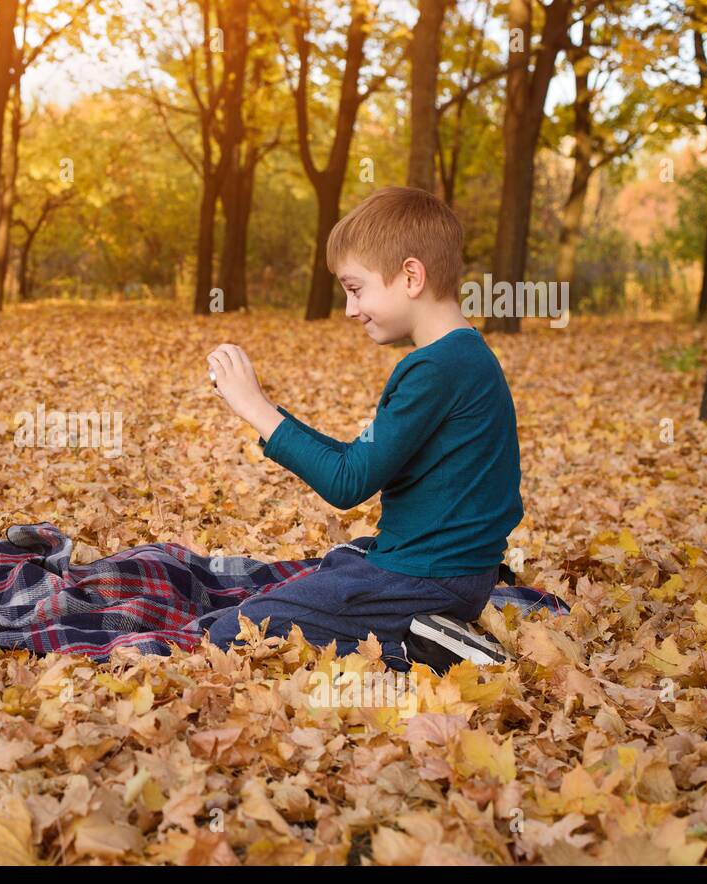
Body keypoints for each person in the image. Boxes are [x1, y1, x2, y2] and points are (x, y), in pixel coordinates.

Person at [206, 186, 523, 671]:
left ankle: (430, 648)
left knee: (233, 630)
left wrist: (254, 407)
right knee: (336, 566)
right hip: (454, 572)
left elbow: (346, 484)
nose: (351, 309)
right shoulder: (461, 356)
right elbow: (359, 462)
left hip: (431, 577)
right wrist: (269, 411)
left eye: (356, 289)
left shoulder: (436, 369)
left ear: (411, 276)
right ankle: (426, 627)